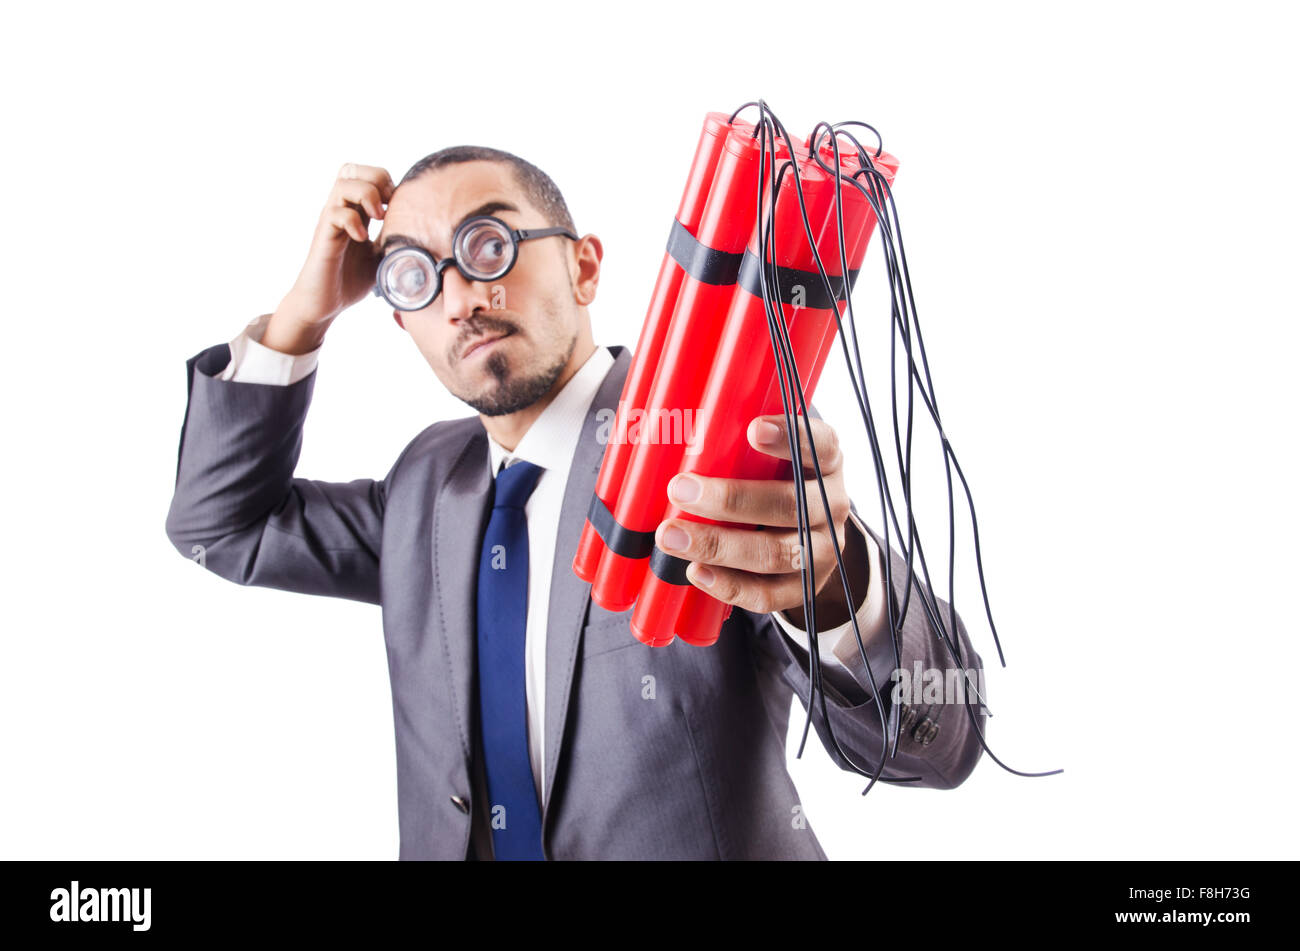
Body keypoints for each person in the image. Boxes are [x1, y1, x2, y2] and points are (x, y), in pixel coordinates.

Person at [164, 146, 988, 860]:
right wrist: (301, 317)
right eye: (413, 275)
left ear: (584, 266)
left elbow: (939, 743)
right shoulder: (425, 485)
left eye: (488, 244)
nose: (460, 298)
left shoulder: (706, 444)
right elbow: (221, 524)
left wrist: (836, 587)